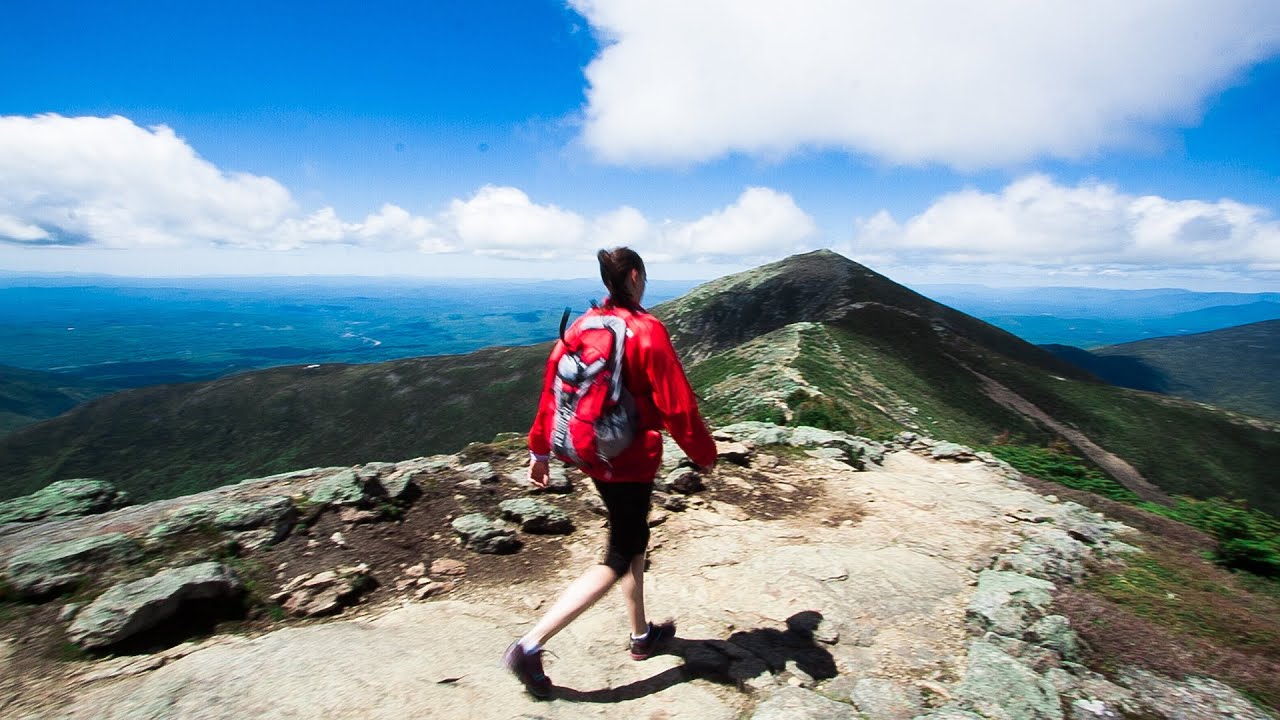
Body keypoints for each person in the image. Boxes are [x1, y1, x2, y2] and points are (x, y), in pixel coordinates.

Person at [502, 246, 718, 699]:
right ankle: (529, 645)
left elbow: (552, 390)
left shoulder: (582, 326)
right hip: (630, 459)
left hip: (592, 453)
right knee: (619, 554)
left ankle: (641, 635)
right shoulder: (646, 330)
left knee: (631, 535)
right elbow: (677, 404)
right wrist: (704, 453)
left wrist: (539, 450)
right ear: (635, 276)